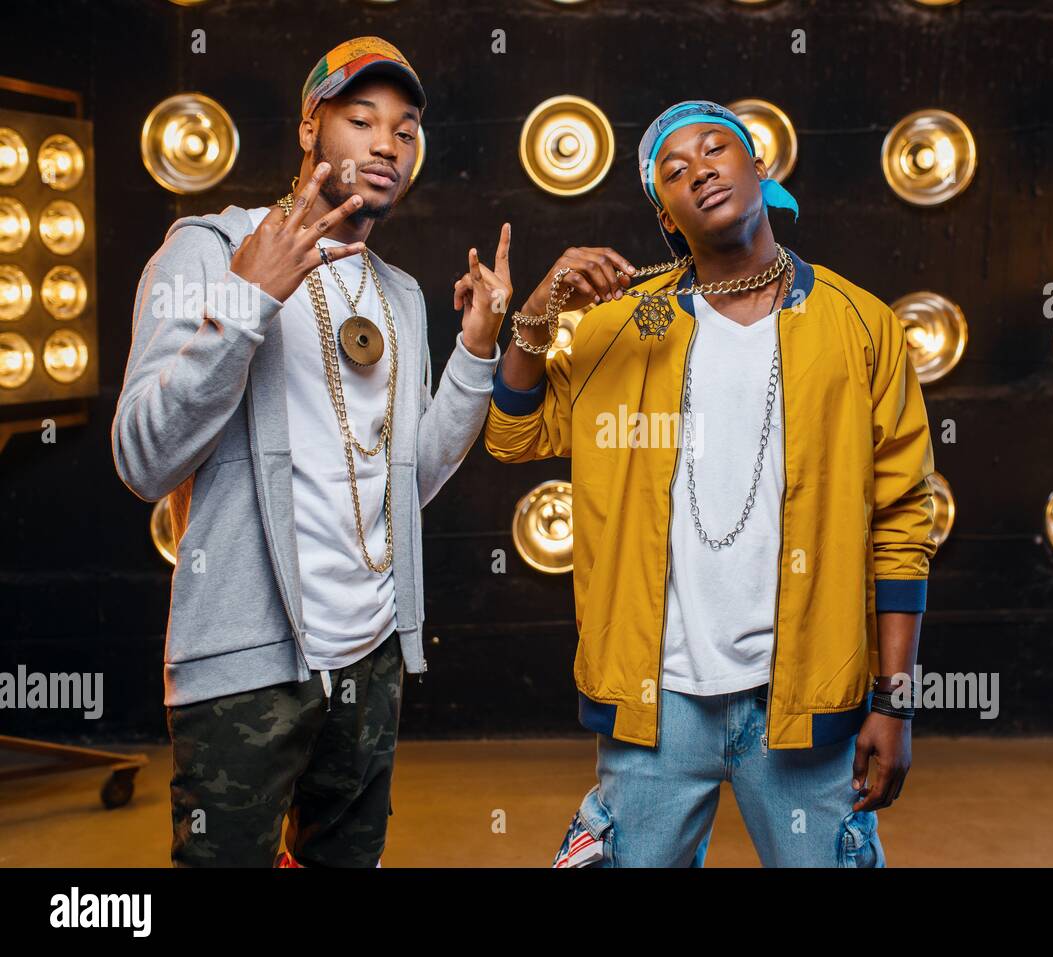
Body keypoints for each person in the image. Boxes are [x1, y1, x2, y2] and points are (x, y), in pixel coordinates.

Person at [482, 99, 937, 867]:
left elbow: (902, 519)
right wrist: (537, 310)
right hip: (657, 703)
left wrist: (895, 703)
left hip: (804, 700)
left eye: (715, 149)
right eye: (674, 168)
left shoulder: (861, 326)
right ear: (666, 213)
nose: (699, 170)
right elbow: (511, 432)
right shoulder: (620, 327)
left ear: (758, 166)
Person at [111, 36, 511, 867]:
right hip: (246, 668)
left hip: (372, 657)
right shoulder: (209, 250)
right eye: (361, 120)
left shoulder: (398, 294)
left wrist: (476, 351)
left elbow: (411, 481)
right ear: (308, 129)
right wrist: (248, 302)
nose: (386, 144)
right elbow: (143, 457)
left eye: (405, 131)